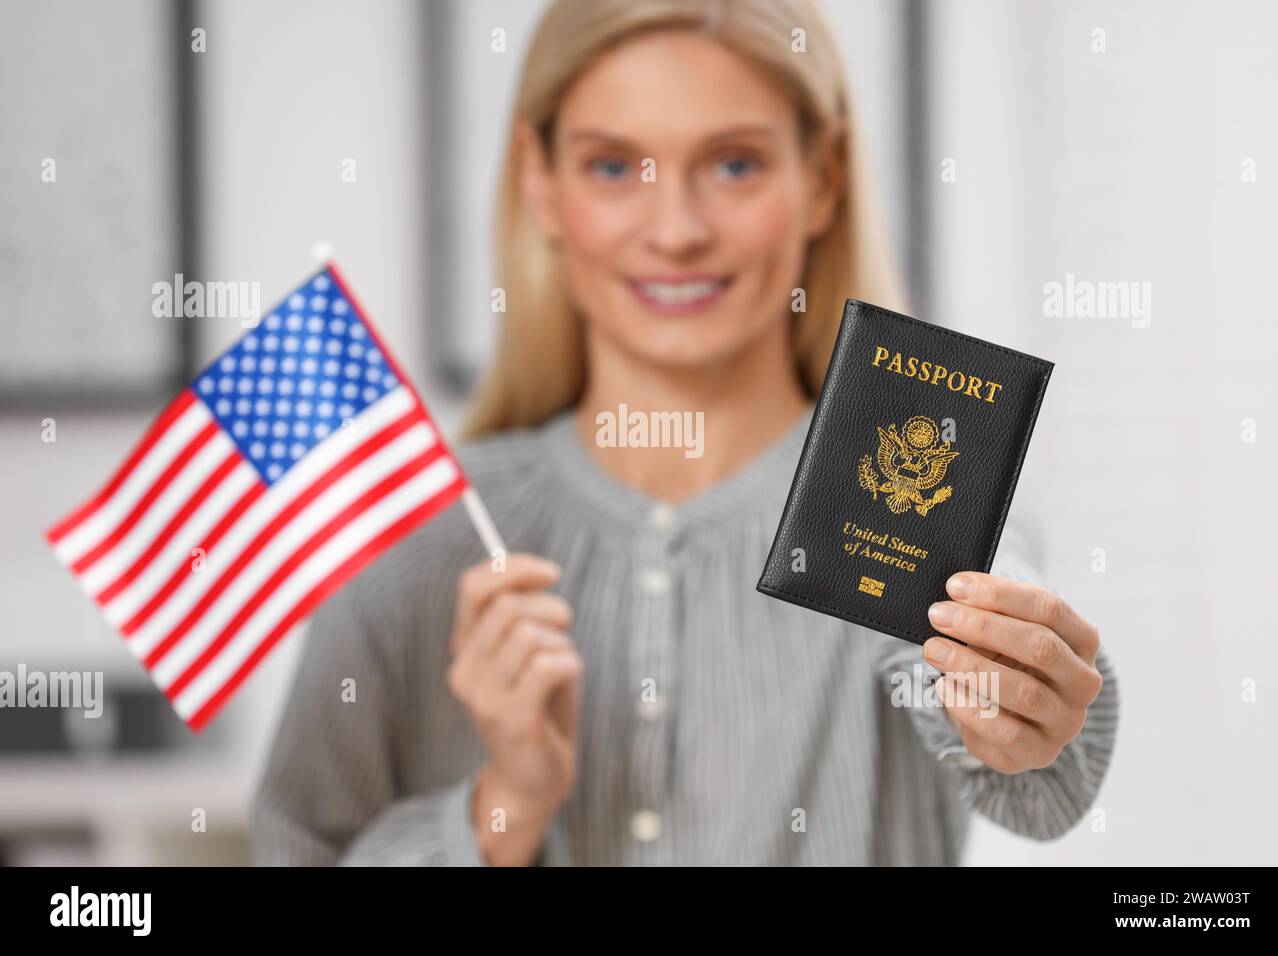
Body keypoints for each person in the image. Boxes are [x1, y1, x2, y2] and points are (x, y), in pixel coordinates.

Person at [252, 0, 1118, 866]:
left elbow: (1032, 756)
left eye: (735, 164)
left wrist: (1020, 704)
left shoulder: (910, 487)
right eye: (612, 166)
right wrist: (502, 810)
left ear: (822, 179)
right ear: (540, 182)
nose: (676, 232)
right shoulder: (417, 530)